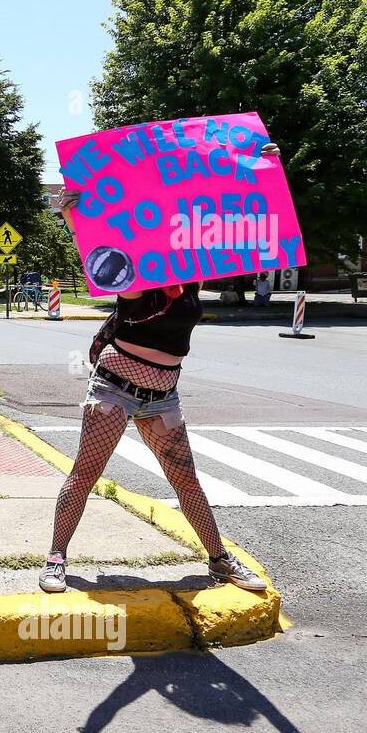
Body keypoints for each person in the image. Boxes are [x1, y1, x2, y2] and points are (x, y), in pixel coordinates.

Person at [39, 145, 283, 594]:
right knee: (86, 473)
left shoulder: (192, 279)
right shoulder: (135, 285)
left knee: (185, 480)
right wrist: (75, 220)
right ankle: (56, 558)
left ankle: (220, 561)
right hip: (114, 388)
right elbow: (99, 254)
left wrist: (263, 169)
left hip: (163, 396)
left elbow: (235, 222)